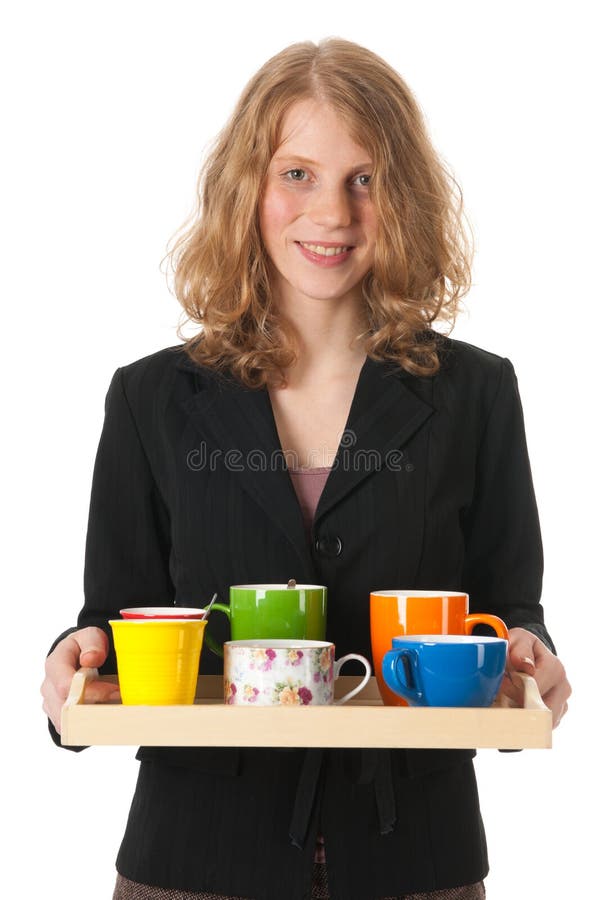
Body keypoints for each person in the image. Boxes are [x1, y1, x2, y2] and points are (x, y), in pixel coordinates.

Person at [41, 38, 571, 900]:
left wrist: (532, 659)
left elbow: (509, 613)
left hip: (416, 865)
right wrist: (78, 651)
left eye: (364, 179)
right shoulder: (151, 399)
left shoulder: (477, 391)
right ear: (247, 187)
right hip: (194, 864)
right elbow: (115, 620)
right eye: (297, 174)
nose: (331, 212)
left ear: (402, 199)